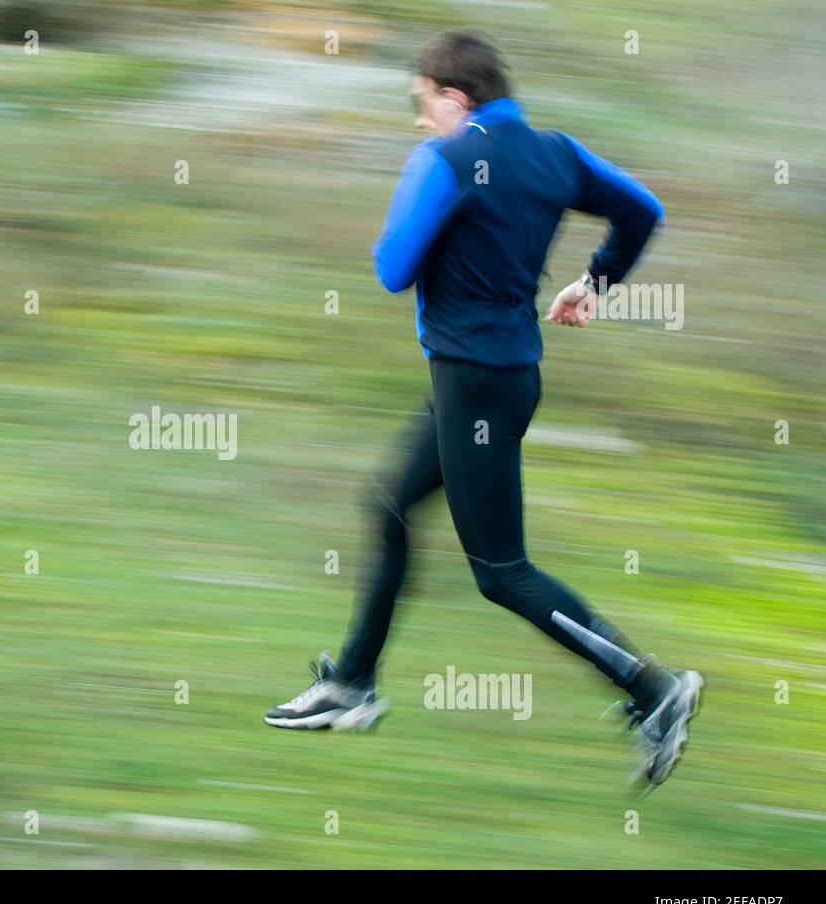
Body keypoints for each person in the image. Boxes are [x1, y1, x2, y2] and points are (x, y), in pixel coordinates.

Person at [264, 31, 702, 790]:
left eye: (422, 104)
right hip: (501, 380)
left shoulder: (445, 158)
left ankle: (656, 690)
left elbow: (391, 269)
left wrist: (428, 177)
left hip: (474, 387)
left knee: (503, 574)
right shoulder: (556, 151)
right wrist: (594, 284)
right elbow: (643, 211)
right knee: (389, 506)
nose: (419, 121)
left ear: (456, 99)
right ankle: (352, 685)